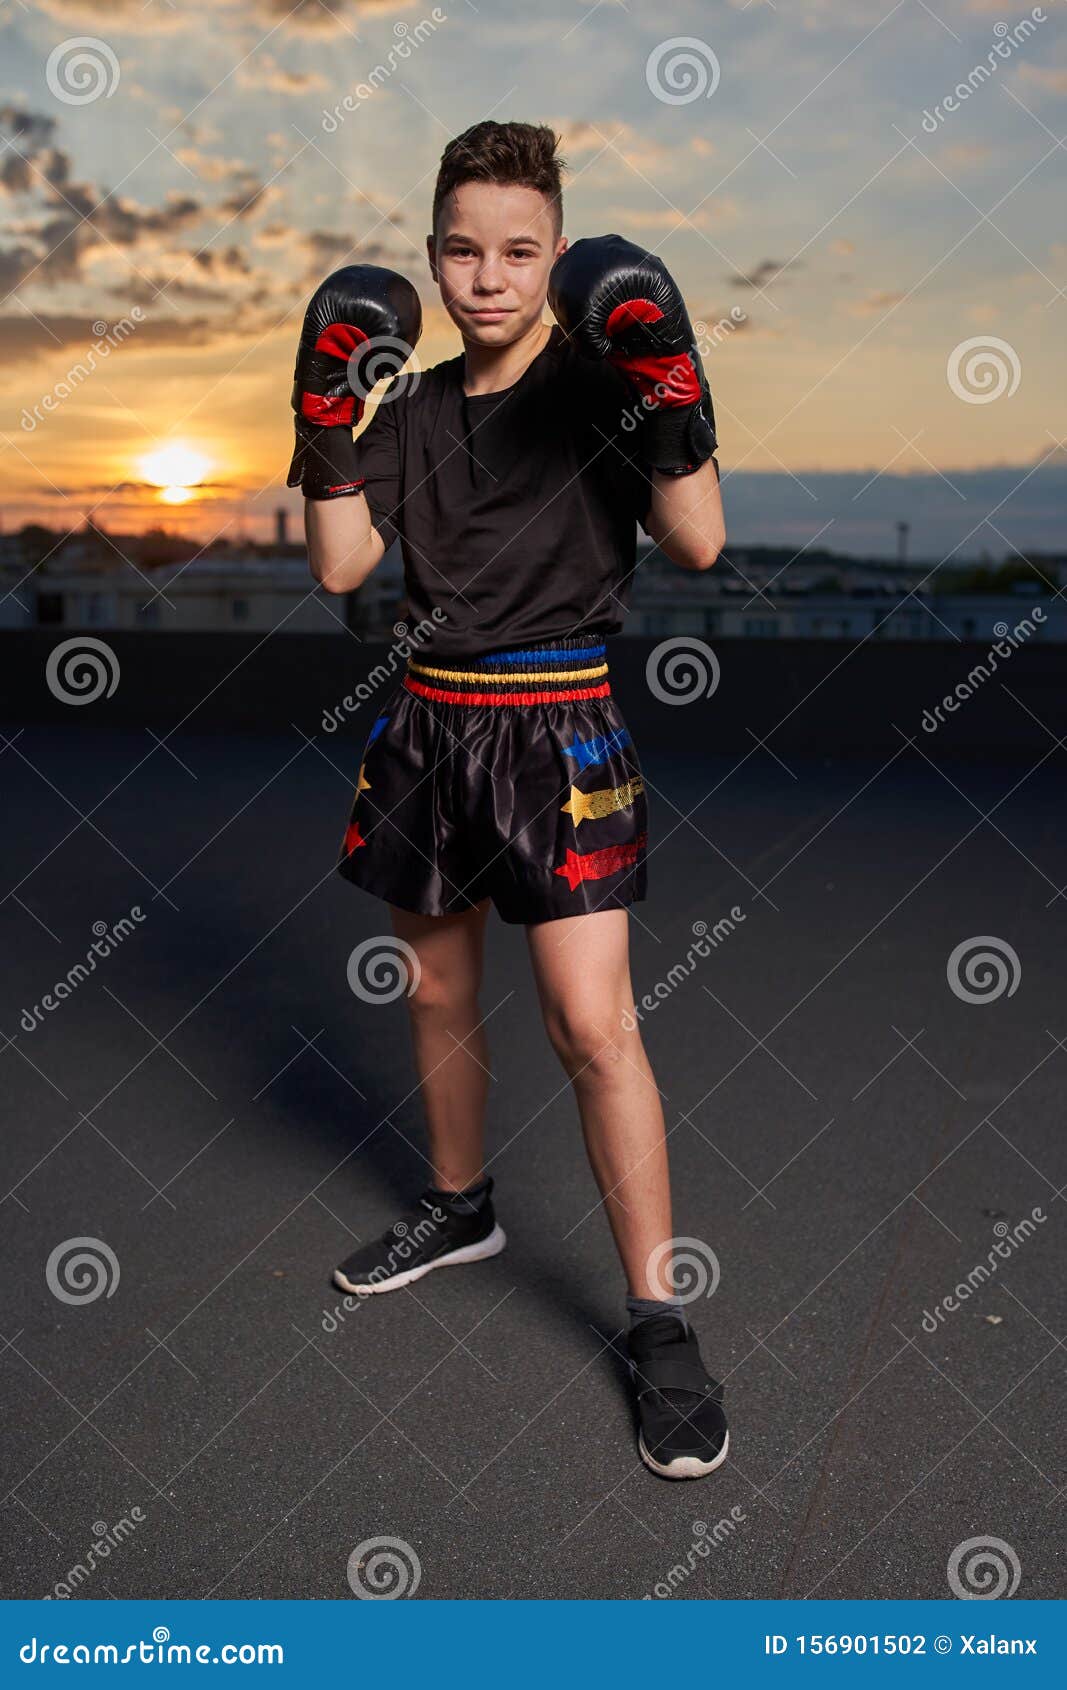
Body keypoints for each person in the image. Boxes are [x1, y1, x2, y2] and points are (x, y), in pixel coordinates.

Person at [288, 121, 728, 1479]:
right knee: (433, 990)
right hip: (431, 722)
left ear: (555, 256)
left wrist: (675, 393)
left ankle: (659, 1319)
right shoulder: (414, 408)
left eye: (519, 252)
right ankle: (460, 1204)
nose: (489, 278)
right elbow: (338, 566)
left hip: (561, 728)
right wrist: (321, 415)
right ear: (432, 259)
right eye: (464, 251)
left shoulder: (601, 386)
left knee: (592, 1022)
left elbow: (700, 540)